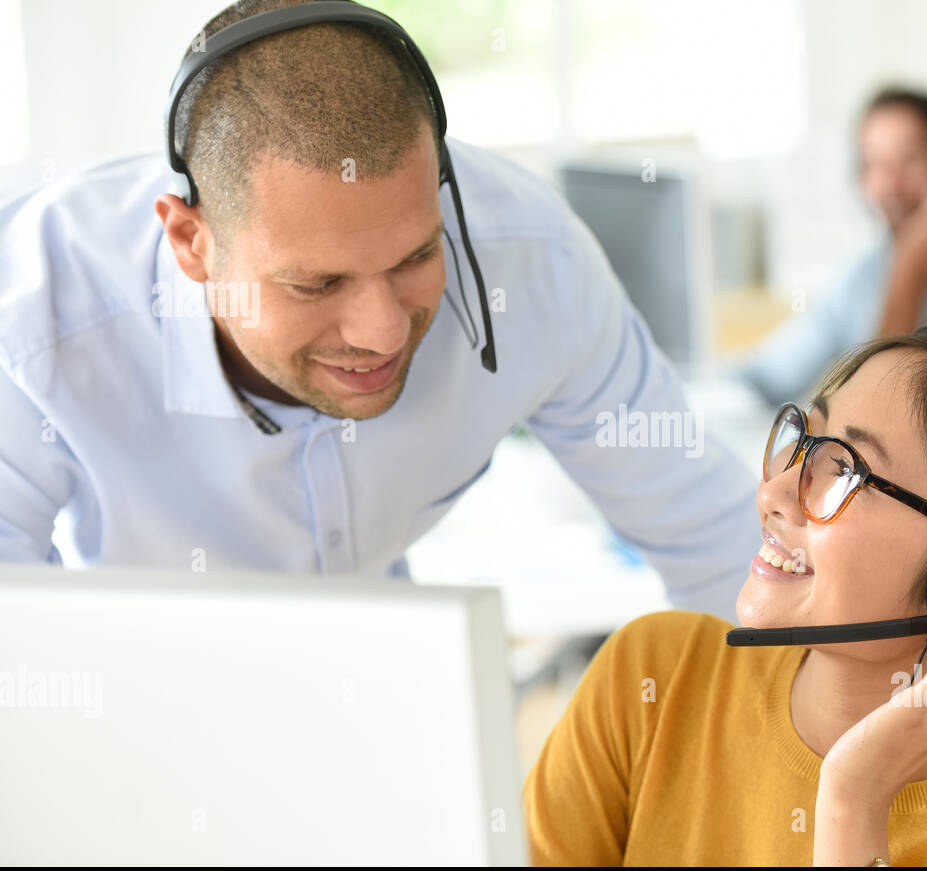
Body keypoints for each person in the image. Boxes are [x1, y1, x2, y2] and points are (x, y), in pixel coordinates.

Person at [0, 0, 757, 619]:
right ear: (191, 242)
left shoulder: (531, 260)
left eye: (415, 259)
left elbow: (715, 544)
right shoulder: (37, 318)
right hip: (126, 696)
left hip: (384, 680)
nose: (384, 332)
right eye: (316, 284)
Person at [526, 320, 927, 866]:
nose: (773, 492)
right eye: (803, 438)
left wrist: (854, 804)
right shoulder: (654, 679)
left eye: (843, 468)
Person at [734, 87, 927, 406]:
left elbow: (883, 411)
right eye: (873, 163)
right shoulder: (863, 273)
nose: (888, 185)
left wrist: (909, 272)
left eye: (910, 159)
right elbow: (767, 377)